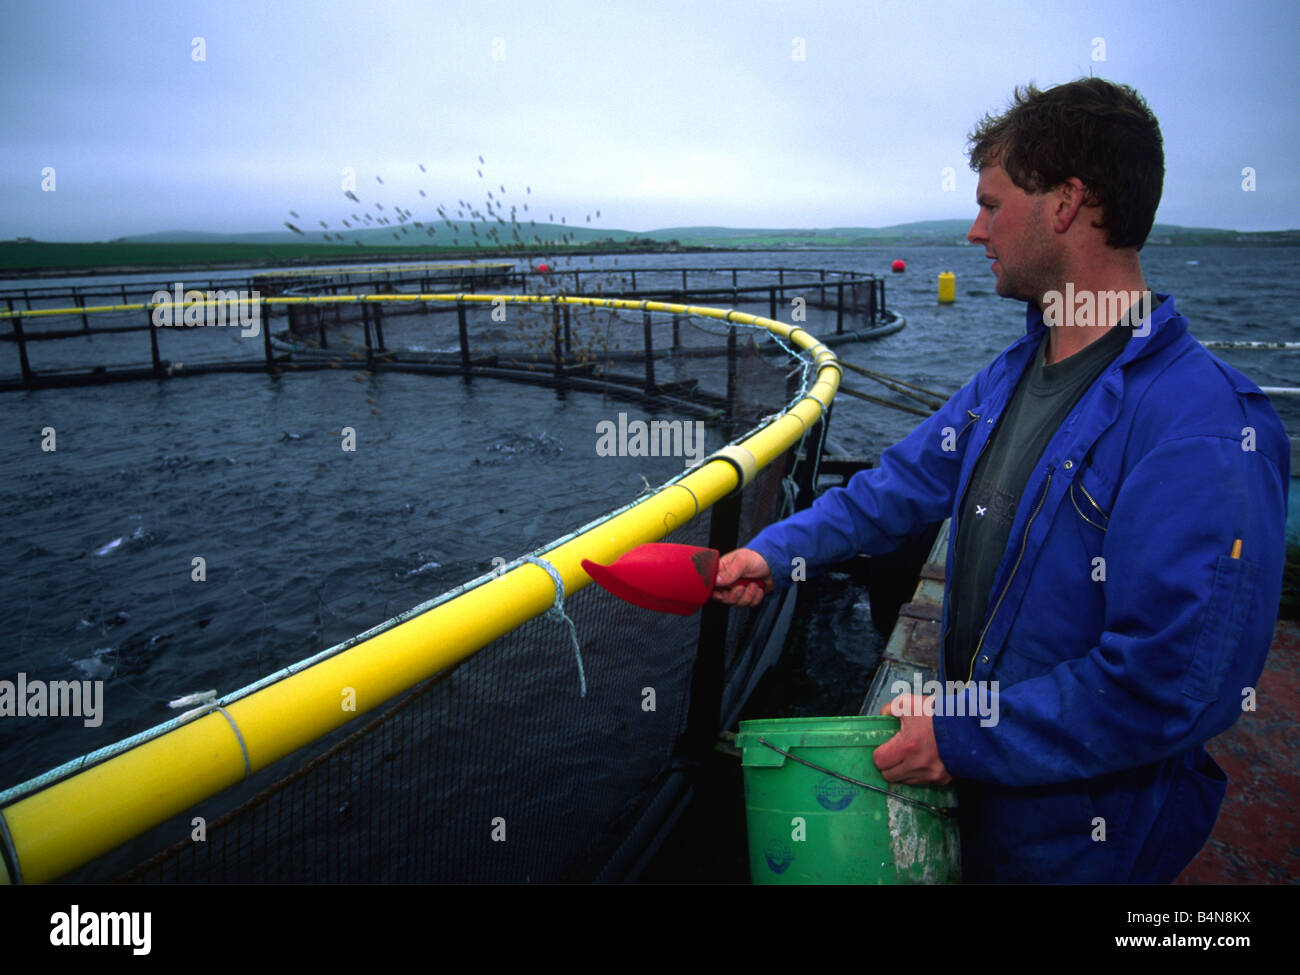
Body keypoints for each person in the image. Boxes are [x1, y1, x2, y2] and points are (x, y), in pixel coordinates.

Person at [712, 78, 1289, 883]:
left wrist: (960, 735)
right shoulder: (1010, 377)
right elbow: (896, 488)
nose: (976, 230)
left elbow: (1174, 683)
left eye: (991, 204)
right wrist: (773, 552)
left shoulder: (1205, 422)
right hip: (991, 814)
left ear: (1067, 202)